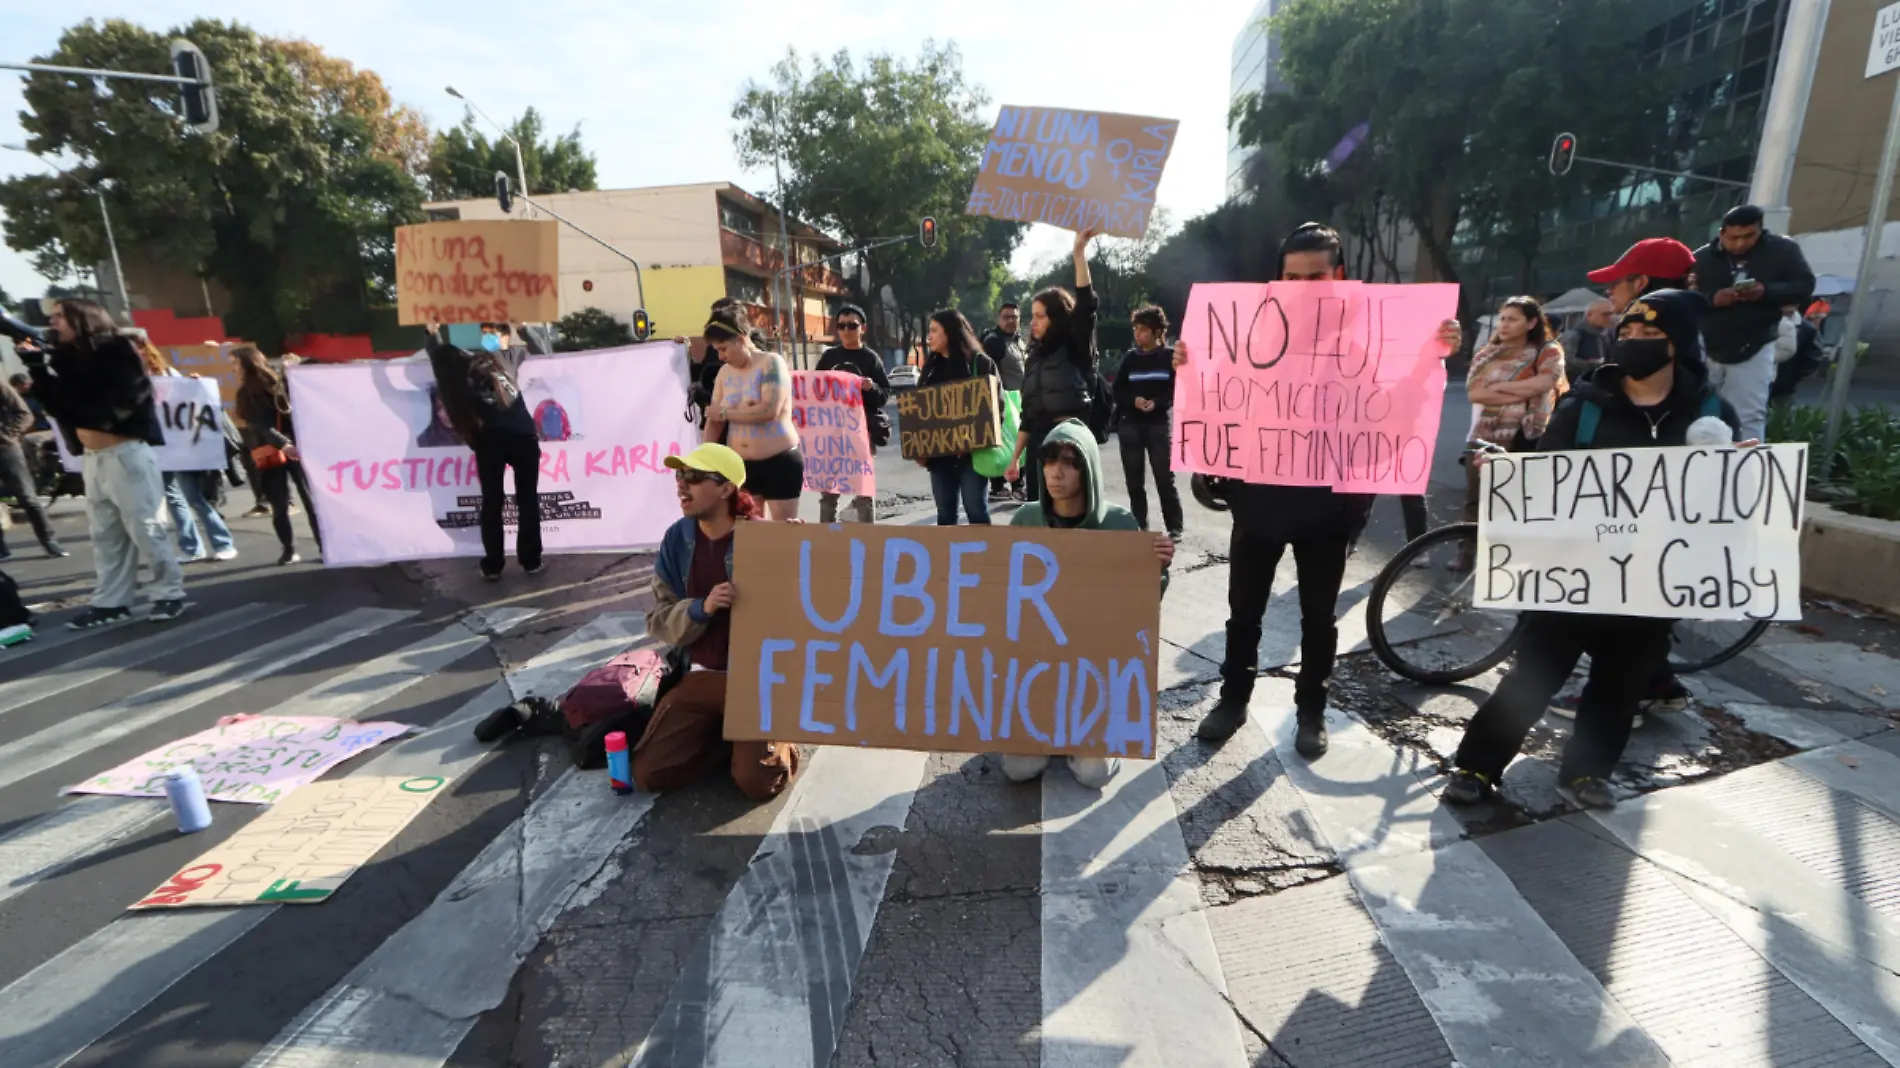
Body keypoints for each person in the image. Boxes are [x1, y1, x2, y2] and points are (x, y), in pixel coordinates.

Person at [1443, 290, 1741, 811]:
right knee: (1534, 676)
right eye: (1627, 333)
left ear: (1681, 346)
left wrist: (1746, 470)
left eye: (1651, 336)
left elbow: (1720, 499)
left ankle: (1587, 773)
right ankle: (1477, 765)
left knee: (1620, 685)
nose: (1634, 343)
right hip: (1573, 575)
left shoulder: (1713, 414)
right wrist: (1510, 478)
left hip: (1652, 579)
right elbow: (1546, 480)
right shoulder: (1583, 407)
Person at [1177, 223, 1462, 758]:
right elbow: (1221, 402)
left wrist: (1429, 355)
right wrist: (1189, 374)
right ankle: (1233, 698)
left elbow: (1395, 409)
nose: (1303, 287)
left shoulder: (1368, 341)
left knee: (1318, 618)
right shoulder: (1249, 334)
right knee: (1244, 612)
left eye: (1316, 277)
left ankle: (1311, 709)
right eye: (1292, 277)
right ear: (1277, 279)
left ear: (1340, 276)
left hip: (1329, 508)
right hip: (1258, 503)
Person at [999, 419, 1175, 788]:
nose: (1056, 472)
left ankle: (1091, 734)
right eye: (1048, 460)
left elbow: (1141, 607)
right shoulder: (1026, 519)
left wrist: (1156, 568)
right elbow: (1003, 598)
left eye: (1069, 461)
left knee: (1093, 774)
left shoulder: (1119, 523)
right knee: (1018, 769)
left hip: (1093, 673)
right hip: (1039, 671)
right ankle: (1043, 729)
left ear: (1089, 469)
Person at [633, 442, 799, 800]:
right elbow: (658, 619)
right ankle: (728, 737)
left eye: (693, 477)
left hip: (756, 682)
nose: (681, 485)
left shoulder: (766, 537)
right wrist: (700, 609)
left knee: (758, 783)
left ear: (726, 488)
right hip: (702, 677)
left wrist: (802, 555)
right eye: (679, 475)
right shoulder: (677, 538)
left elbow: (806, 614)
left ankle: (773, 736)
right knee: (649, 773)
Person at [19, 299, 185, 627]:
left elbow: (113, 405)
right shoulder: (66, 357)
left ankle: (169, 593)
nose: (52, 324)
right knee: (105, 534)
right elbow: (58, 407)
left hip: (126, 454)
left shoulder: (116, 351)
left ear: (82, 319)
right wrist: (37, 368)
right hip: (94, 459)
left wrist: (63, 383)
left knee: (146, 528)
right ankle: (112, 602)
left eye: (59, 317)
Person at [425, 320, 547, 579]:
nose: (487, 340)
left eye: (492, 335)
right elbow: (440, 358)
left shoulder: (501, 358)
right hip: (504, 438)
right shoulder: (479, 362)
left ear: (504, 337)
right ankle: (512, 562)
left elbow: (542, 349)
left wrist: (522, 328)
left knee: (512, 501)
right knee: (507, 500)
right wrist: (432, 333)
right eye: (484, 335)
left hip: (508, 438)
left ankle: (514, 561)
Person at [1692, 204, 1816, 443]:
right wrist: (1713, 299)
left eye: (1748, 236)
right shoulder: (1702, 257)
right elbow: (1683, 294)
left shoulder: (1783, 250)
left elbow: (1804, 285)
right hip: (1708, 341)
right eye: (1733, 238)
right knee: (1699, 413)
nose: (1740, 244)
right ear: (1721, 233)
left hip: (1756, 340)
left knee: (1748, 415)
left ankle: (1747, 473)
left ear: (1760, 230)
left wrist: (1766, 291)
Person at [1459, 295, 1568, 564]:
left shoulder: (1548, 351)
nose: (1504, 324)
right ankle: (1467, 551)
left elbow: (1543, 384)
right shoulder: (1486, 353)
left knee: (1515, 502)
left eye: (1513, 319)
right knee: (1476, 499)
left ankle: (1507, 560)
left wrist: (1497, 388)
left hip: (1529, 435)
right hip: (1484, 435)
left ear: (1531, 322)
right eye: (1502, 318)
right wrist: (1519, 391)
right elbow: (1475, 394)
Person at [1006, 229, 1100, 502]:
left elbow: (1085, 306)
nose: (1032, 322)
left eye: (1039, 316)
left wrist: (1079, 254)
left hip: (1069, 439)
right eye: (1031, 316)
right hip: (1039, 443)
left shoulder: (1075, 345)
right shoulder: (1033, 356)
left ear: (1056, 317)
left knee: (1070, 513)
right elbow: (1028, 414)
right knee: (1039, 511)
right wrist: (1014, 460)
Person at [138, 335, 238, 564]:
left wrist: (194, 384)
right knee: (173, 499)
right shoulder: (131, 380)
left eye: (139, 349)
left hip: (178, 447)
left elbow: (187, 404)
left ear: (147, 350)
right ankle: (192, 548)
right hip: (155, 447)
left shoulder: (168, 374)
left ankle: (224, 543)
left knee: (193, 497)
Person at [702, 306, 803, 521]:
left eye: (723, 349)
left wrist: (724, 413)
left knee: (783, 532)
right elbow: (714, 419)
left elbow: (768, 411)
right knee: (749, 534)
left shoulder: (771, 363)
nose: (721, 356)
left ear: (740, 339)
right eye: (717, 350)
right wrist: (703, 459)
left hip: (779, 460)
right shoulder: (724, 373)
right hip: (742, 464)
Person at [233, 345, 321, 566]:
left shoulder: (273, 385)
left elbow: (263, 423)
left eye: (235, 363)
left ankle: (296, 549)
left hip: (279, 450)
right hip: (285, 448)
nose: (233, 369)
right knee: (292, 502)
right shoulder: (255, 390)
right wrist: (285, 444)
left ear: (248, 363)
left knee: (295, 502)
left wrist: (294, 371)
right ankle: (305, 548)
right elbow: (261, 424)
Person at [918, 309, 1001, 527]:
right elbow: (918, 412)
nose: (929, 337)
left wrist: (972, 440)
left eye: (934, 331)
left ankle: (985, 560)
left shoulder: (980, 364)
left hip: (973, 455)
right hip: (939, 457)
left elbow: (996, 409)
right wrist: (919, 448)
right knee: (945, 515)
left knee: (976, 510)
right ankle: (948, 561)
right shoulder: (930, 369)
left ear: (951, 333)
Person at [1111, 304, 1184, 539]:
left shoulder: (1169, 357)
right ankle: (1139, 525)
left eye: (1143, 329)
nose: (1138, 334)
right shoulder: (1130, 359)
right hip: (1130, 425)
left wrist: (1158, 402)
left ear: (1157, 331)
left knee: (1164, 478)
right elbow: (1117, 390)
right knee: (1134, 479)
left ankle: (1175, 527)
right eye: (1136, 329)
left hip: (1158, 425)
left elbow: (1177, 389)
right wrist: (1134, 400)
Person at [814, 303, 891, 524]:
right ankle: (826, 539)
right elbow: (813, 390)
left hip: (862, 433)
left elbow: (885, 395)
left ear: (862, 328)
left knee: (864, 492)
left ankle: (868, 538)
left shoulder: (871, 358)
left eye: (852, 325)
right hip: (832, 433)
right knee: (828, 492)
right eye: (841, 326)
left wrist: (871, 387)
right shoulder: (829, 357)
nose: (846, 330)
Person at [0, 372, 63, 561]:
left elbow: (24, 414)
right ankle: (2, 550)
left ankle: (50, 542)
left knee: (28, 498)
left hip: (6, 449)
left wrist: (5, 436)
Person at [981, 302, 1029, 500]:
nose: (1011, 321)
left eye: (1014, 317)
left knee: (1018, 443)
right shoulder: (994, 342)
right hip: (1003, 400)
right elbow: (987, 372)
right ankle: (1000, 485)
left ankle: (1017, 485)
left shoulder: (1019, 341)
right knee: (1005, 443)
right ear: (998, 319)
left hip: (1019, 401)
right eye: (1006, 317)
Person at [1771, 301, 1828, 405]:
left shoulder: (1806, 328)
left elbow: (1813, 356)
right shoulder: (1768, 322)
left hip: (1783, 388)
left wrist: (1792, 378)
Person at [1559, 299, 1616, 383]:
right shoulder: (1574, 335)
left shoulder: (1608, 334)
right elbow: (1566, 361)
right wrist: (1595, 365)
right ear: (1589, 315)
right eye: (1605, 314)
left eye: (1611, 314)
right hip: (1578, 386)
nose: (1610, 318)